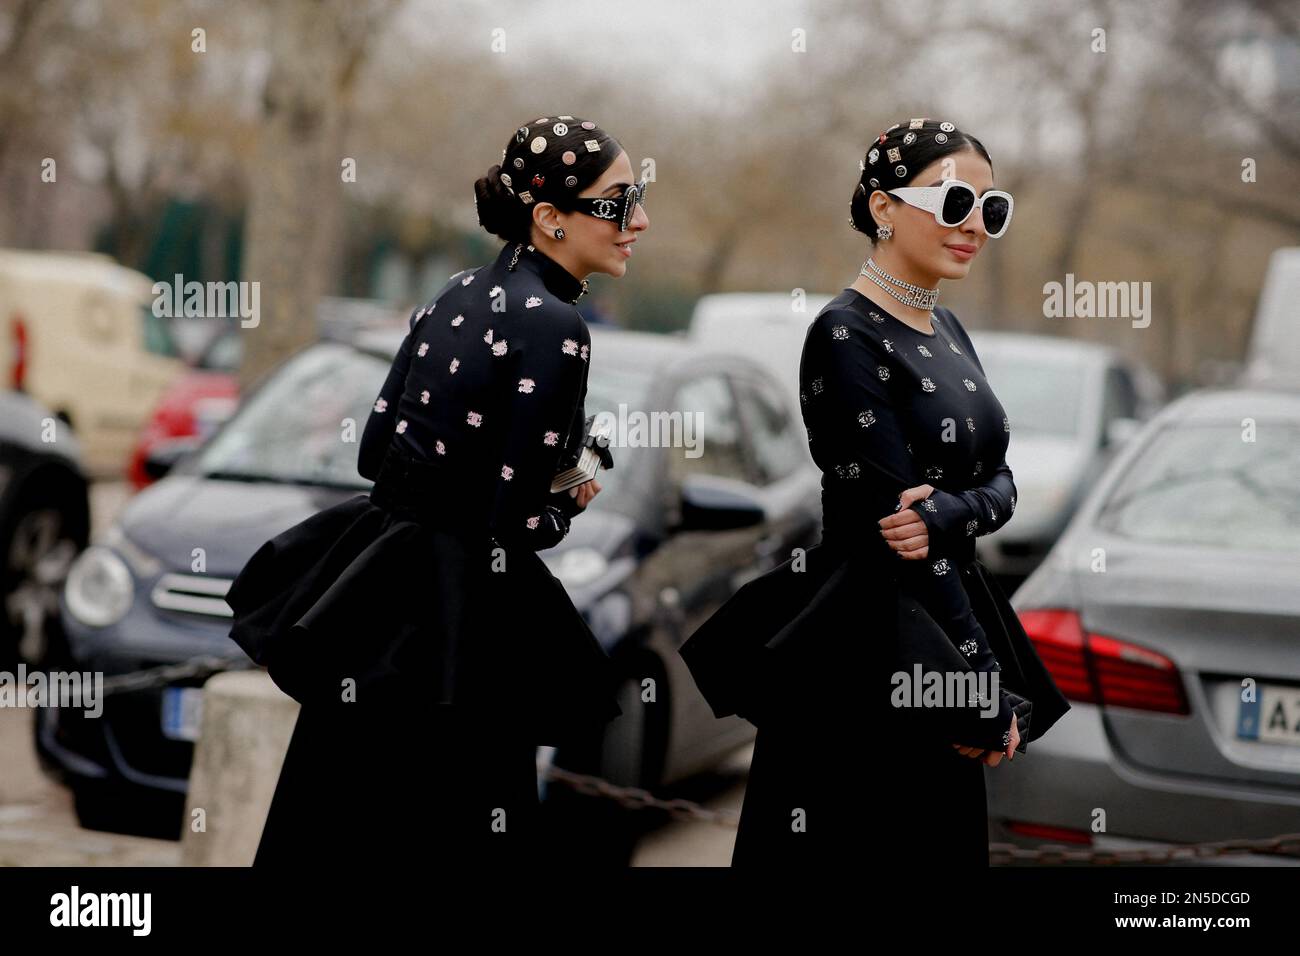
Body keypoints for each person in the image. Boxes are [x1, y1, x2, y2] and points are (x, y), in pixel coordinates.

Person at [225, 114, 650, 868]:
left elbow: (375, 453)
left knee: (334, 819)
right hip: (461, 627)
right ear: (549, 218)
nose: (638, 220)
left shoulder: (454, 292)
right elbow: (518, 521)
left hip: (373, 596)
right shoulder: (557, 325)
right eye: (618, 202)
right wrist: (573, 491)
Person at [679, 117, 1070, 867]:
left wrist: (957, 507)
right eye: (953, 202)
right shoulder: (844, 333)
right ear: (883, 207)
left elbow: (1002, 480)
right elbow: (902, 535)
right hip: (868, 639)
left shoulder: (949, 326)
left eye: (991, 209)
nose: (975, 227)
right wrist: (979, 688)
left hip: (944, 614)